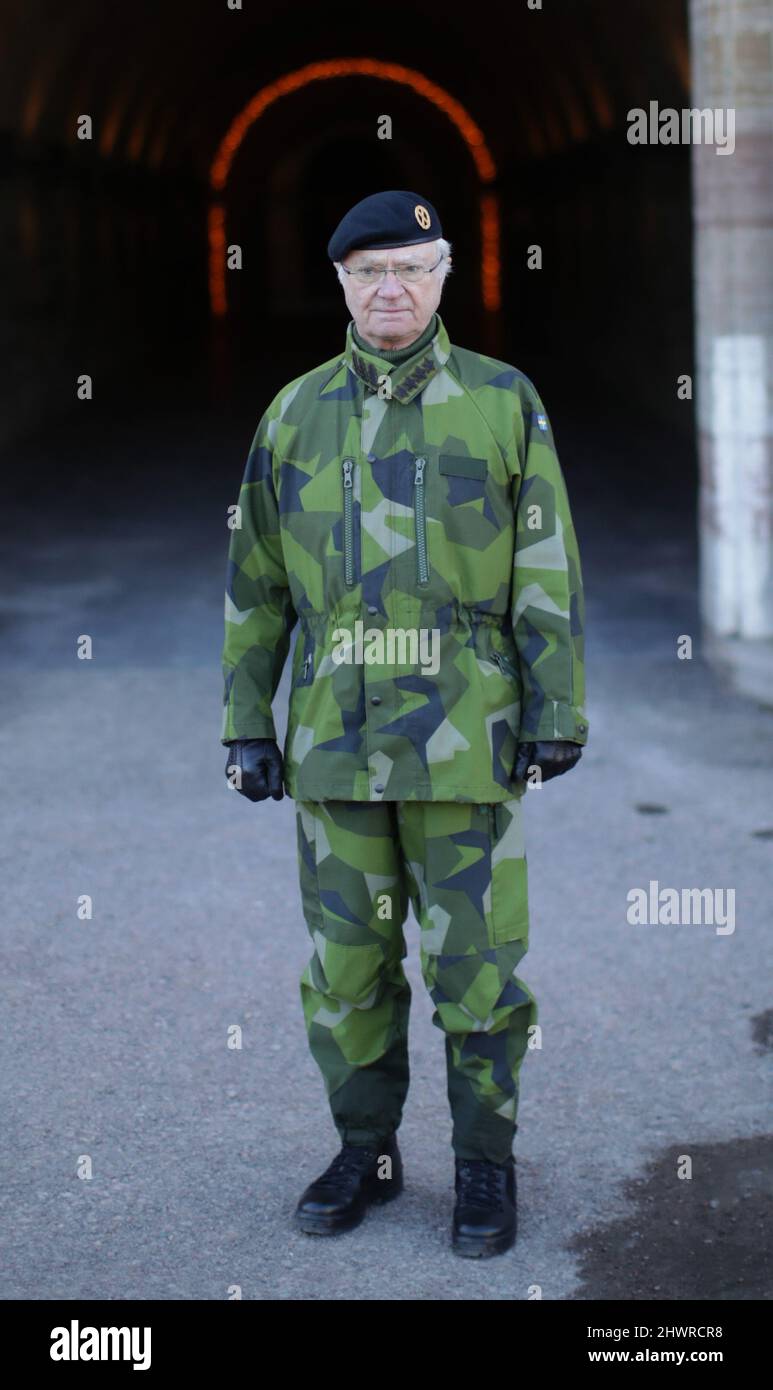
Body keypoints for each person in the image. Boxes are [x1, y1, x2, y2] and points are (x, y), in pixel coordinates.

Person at [221, 190, 588, 1258]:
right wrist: (246, 720)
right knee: (347, 967)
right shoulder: (291, 415)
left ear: (443, 278)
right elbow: (254, 583)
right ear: (339, 283)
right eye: (369, 270)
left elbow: (545, 562)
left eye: (411, 268)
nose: (390, 288)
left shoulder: (502, 401)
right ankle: (366, 1155)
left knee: (476, 965)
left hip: (468, 740)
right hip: (336, 742)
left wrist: (555, 704)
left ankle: (483, 1164)